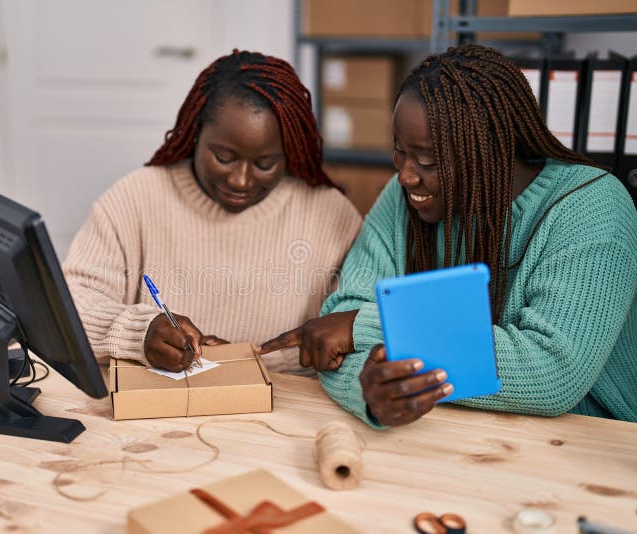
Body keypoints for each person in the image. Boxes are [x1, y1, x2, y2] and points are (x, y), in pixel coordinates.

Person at [260, 44, 637, 425]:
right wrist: (371, 390)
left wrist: (367, 326)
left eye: (428, 160)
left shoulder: (592, 208)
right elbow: (334, 332)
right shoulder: (405, 195)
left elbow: (551, 373)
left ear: (492, 151)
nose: (406, 175)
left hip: (585, 437)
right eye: (399, 152)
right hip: (451, 426)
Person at [63, 50, 361, 375]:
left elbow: (366, 324)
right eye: (224, 156)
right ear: (195, 134)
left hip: (290, 407)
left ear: (289, 153)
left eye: (265, 164)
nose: (241, 180)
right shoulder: (134, 199)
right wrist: (140, 333)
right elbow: (68, 307)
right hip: (161, 410)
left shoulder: (332, 214)